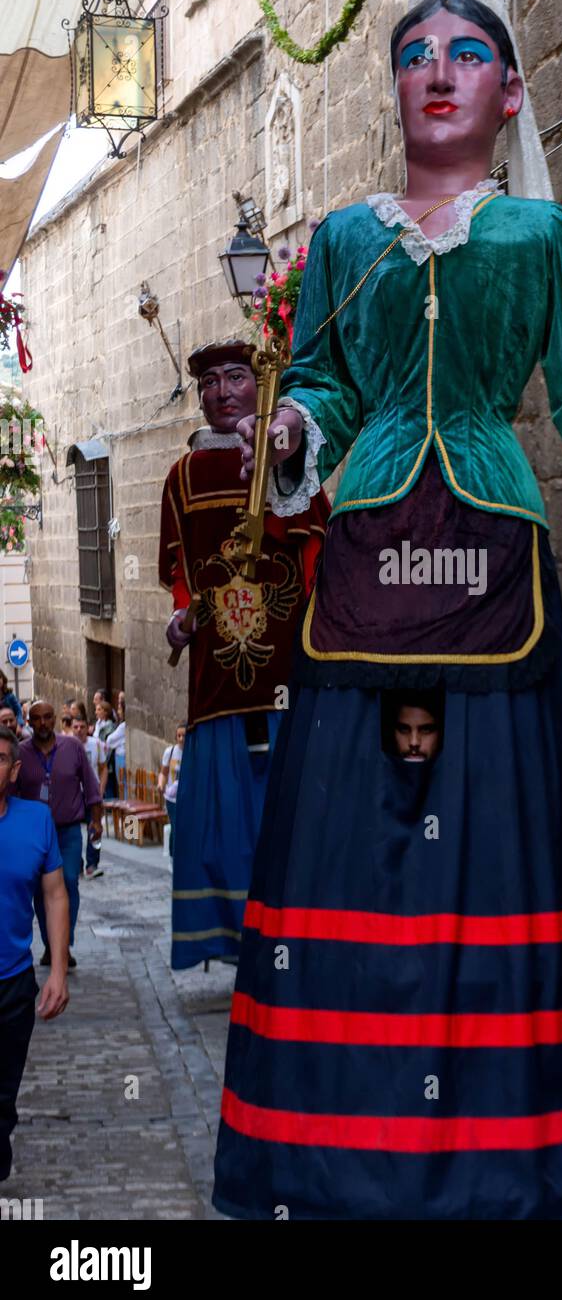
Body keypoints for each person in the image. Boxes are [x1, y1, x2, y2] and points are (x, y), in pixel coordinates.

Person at [213, 0, 562, 1222]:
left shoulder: (545, 234)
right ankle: (328, 1148)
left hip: (494, 550)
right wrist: (300, 430)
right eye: (412, 55)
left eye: (465, 54)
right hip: (364, 546)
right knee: (346, 833)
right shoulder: (343, 240)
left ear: (509, 92)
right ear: (394, 90)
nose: (435, 72)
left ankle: (515, 1149)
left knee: (500, 833)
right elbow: (316, 381)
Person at [158, 338, 331, 970]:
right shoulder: (181, 478)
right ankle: (239, 942)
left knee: (293, 821)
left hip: (290, 675)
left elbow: (316, 550)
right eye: (209, 383)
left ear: (259, 389)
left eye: (237, 377)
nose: (224, 391)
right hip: (216, 686)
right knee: (225, 828)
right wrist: (181, 618)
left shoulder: (288, 464)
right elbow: (180, 567)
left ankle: (300, 935)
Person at [0, 727, 69, 1183]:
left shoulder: (37, 821)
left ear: (14, 770)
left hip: (13, 984)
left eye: (0, 758)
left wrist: (58, 971)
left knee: (2, 1094)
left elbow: (56, 895)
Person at [17, 701, 102, 970]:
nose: (43, 723)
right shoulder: (22, 753)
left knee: (68, 882)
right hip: (35, 834)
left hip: (68, 831)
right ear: (29, 722)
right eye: (37, 719)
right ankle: (52, 945)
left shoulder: (73, 747)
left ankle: (63, 944)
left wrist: (96, 820)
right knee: (41, 892)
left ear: (55, 719)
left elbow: (90, 785)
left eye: (47, 717)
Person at [72, 715, 106, 879]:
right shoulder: (67, 745)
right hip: (73, 794)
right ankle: (76, 865)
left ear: (88, 728)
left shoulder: (96, 744)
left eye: (82, 727)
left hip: (92, 794)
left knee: (95, 828)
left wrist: (101, 789)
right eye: (76, 727)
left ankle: (92, 865)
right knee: (73, 831)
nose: (79, 730)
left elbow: (103, 768)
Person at [157, 722, 185, 856]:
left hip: (187, 797)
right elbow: (164, 772)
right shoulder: (170, 752)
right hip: (172, 798)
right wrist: (161, 784)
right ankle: (173, 857)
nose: (181, 739)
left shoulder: (194, 752)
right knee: (176, 826)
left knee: (184, 828)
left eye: (184, 736)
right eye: (179, 735)